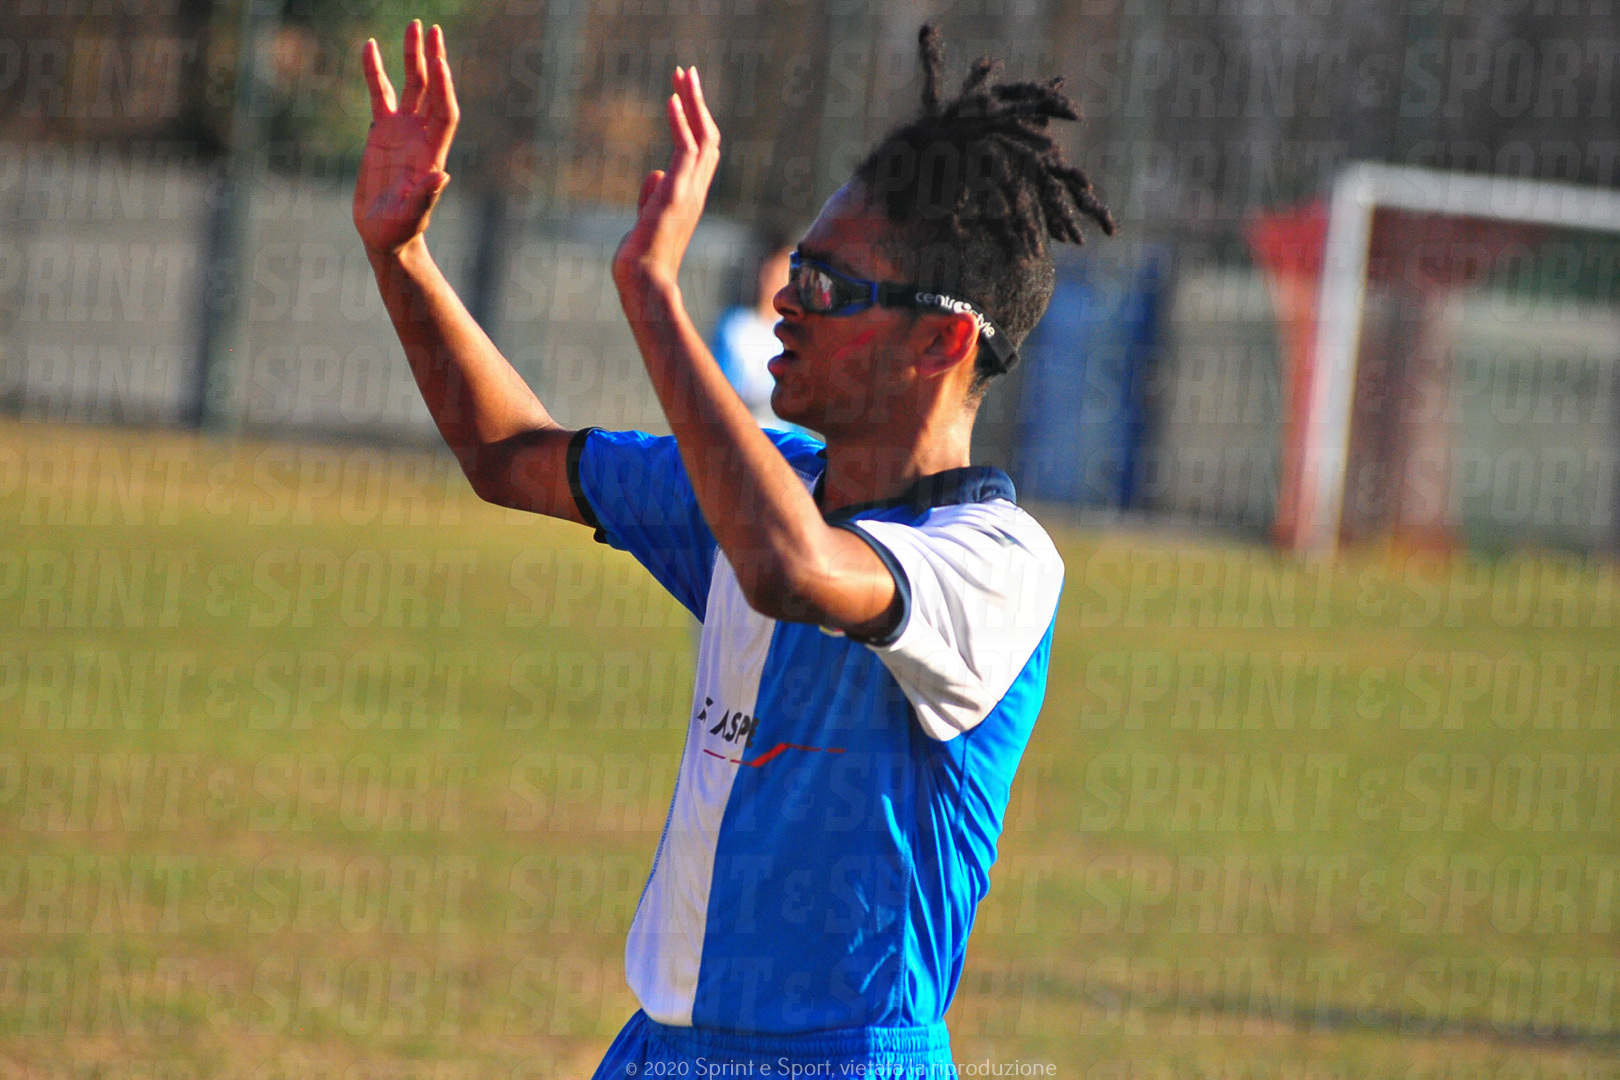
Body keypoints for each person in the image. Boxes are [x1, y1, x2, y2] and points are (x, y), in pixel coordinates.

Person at [353, 20, 1113, 1074]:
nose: (790, 303)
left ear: (943, 340)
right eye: (798, 268)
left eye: (833, 288)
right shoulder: (760, 480)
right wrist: (400, 254)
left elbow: (790, 569)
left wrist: (654, 299)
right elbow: (506, 454)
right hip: (657, 1051)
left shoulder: (996, 563)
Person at [710, 232, 796, 430]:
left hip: (782, 448)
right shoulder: (735, 326)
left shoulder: (796, 334)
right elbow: (721, 391)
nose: (778, 279)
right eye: (774, 270)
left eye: (787, 271)